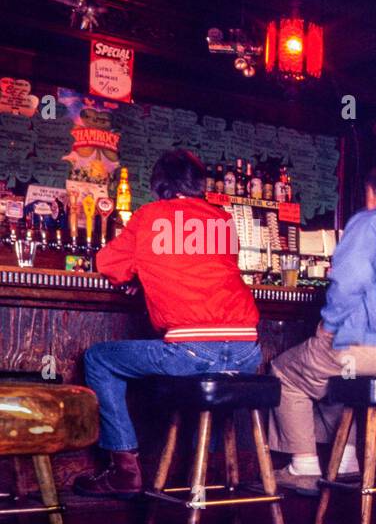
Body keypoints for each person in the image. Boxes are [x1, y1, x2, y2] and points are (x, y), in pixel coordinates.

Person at [74, 149, 262, 498]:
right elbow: (206, 269)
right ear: (198, 184)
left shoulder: (149, 217)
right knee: (207, 384)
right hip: (247, 354)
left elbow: (107, 263)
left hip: (190, 353)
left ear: (159, 184)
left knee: (98, 358)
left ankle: (124, 469)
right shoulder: (222, 219)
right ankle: (207, 473)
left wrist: (136, 276)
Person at [268, 165, 376, 495]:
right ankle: (346, 460)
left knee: (286, 372)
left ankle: (304, 466)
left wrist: (330, 326)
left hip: (367, 354)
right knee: (339, 380)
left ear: (370, 192)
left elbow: (347, 285)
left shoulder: (369, 221)